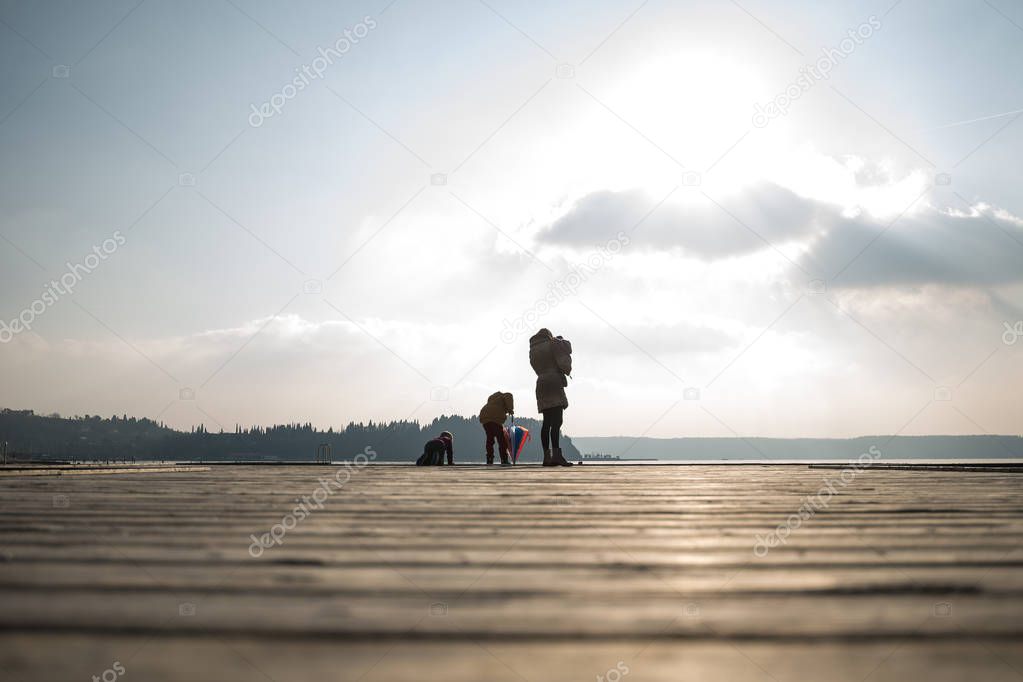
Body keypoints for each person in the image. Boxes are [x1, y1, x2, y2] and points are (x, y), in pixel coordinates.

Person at [528, 328, 573, 467]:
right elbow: (564, 364)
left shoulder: (533, 350)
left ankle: (546, 457)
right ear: (548, 335)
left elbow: (535, 367)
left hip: (541, 383)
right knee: (557, 421)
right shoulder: (553, 343)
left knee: (546, 422)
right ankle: (557, 456)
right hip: (554, 381)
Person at [479, 391, 514, 466]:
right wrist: (510, 409)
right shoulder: (507, 395)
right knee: (501, 440)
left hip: (484, 416)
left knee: (490, 439)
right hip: (494, 418)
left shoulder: (493, 398)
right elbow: (508, 398)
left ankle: (489, 459)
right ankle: (504, 459)